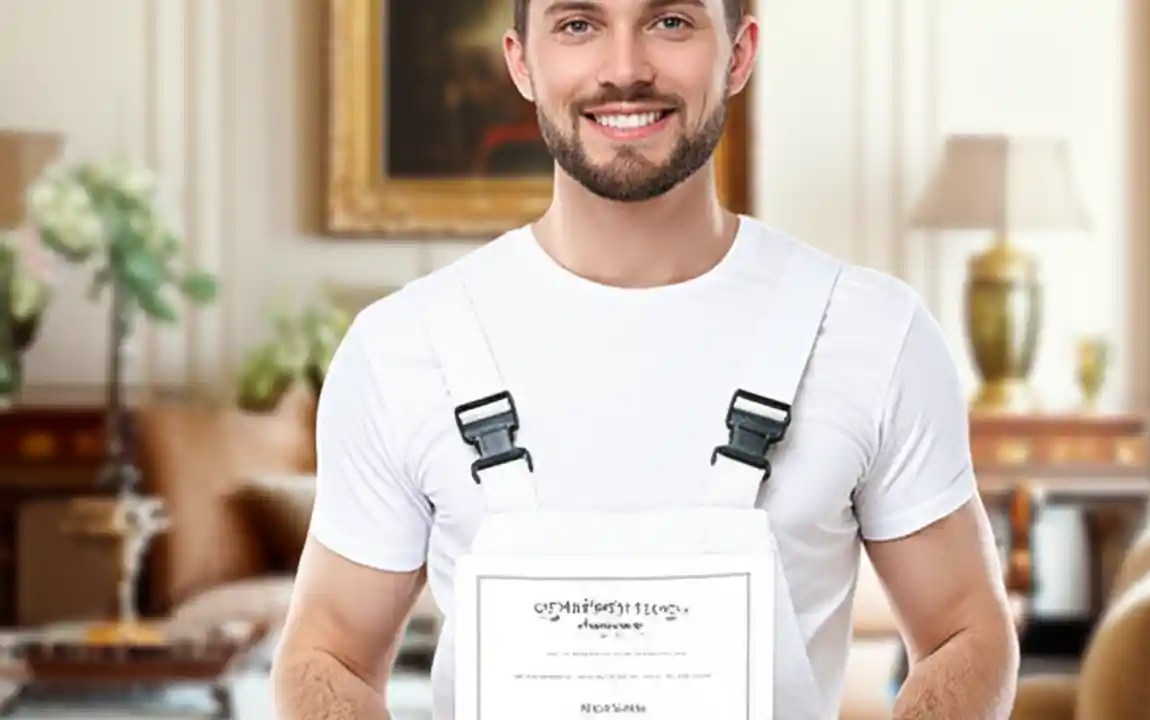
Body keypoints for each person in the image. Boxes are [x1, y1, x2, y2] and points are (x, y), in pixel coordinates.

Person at [271, 0, 1019, 718]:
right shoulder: (404, 346)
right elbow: (326, 654)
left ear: (739, 53)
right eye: (577, 24)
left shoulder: (871, 332)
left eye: (670, 21)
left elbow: (967, 631)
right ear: (522, 62)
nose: (624, 67)